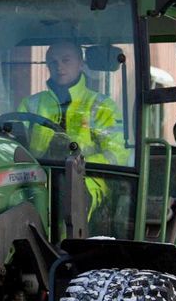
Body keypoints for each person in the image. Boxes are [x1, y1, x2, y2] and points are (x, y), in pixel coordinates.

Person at [17, 40, 129, 216]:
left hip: (89, 179)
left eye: (66, 60)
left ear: (81, 63)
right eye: (53, 62)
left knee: (65, 198)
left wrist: (78, 165)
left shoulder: (102, 107)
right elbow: (13, 144)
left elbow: (118, 153)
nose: (59, 66)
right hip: (38, 179)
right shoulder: (31, 104)